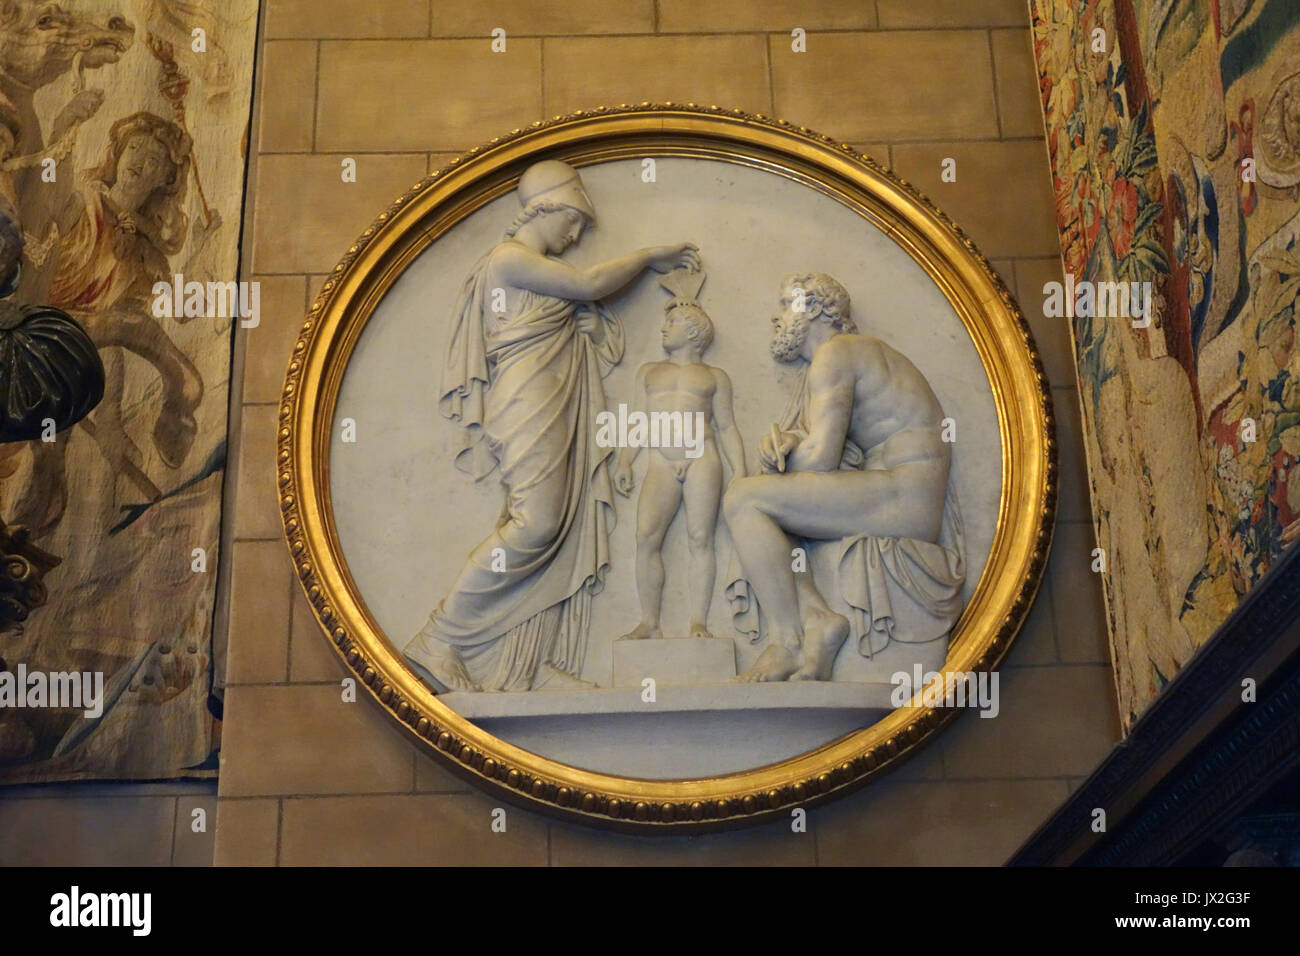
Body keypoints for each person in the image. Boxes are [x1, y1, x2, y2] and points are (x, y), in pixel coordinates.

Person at [404, 160, 698, 692]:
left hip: (555, 402)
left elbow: (578, 319)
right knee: (535, 525)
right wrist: (650, 255)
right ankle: (440, 636)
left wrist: (586, 330)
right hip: (527, 402)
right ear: (549, 208)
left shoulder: (531, 273)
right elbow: (588, 283)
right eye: (577, 220)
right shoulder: (509, 260)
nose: (578, 233)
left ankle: (527, 664)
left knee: (562, 531)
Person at [723, 273, 964, 682]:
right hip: (899, 491)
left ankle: (787, 642)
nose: (775, 317)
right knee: (772, 516)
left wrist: (786, 455)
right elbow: (836, 449)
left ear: (813, 308)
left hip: (902, 496)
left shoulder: (836, 354)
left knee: (744, 499)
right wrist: (792, 443)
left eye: (786, 304)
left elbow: (820, 460)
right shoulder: (864, 354)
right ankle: (819, 624)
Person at [612, 294, 746, 642]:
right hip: (660, 460)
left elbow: (728, 427)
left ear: (694, 332)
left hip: (702, 455)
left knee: (701, 538)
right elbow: (638, 420)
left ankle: (698, 622)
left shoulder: (715, 376)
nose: (663, 328)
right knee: (645, 536)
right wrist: (626, 459)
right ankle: (649, 623)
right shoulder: (649, 372)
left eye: (672, 323)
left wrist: (741, 473)